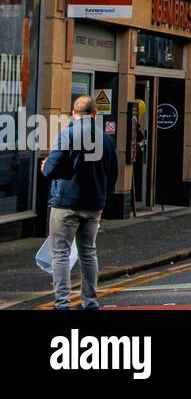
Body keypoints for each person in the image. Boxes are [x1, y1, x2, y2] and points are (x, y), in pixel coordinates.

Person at [41, 95, 117, 310]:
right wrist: (102, 196)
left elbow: (50, 170)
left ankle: (62, 303)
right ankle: (90, 302)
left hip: (66, 203)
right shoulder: (108, 140)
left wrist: (47, 165)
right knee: (88, 252)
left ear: (73, 114)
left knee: (61, 253)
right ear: (95, 114)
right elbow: (113, 174)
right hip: (94, 204)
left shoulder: (67, 135)